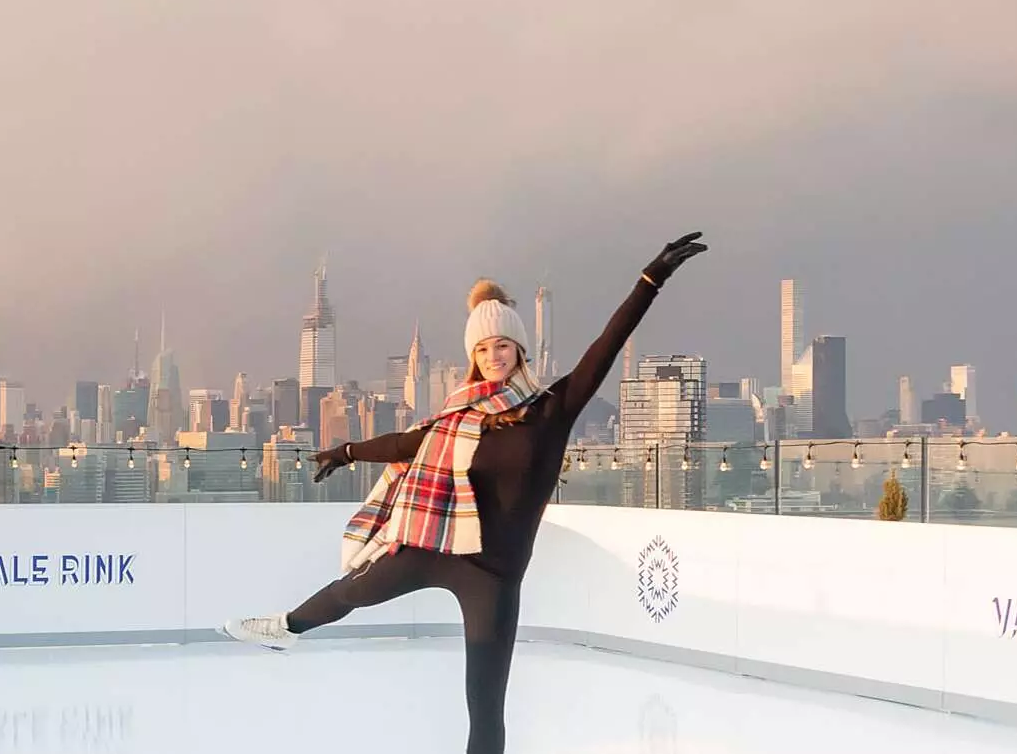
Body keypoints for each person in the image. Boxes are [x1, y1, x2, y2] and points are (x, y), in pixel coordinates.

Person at [222, 232, 708, 754]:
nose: (493, 356)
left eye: (501, 345)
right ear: (472, 356)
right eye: (482, 348)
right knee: (351, 591)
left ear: (519, 348)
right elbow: (410, 443)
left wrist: (650, 279)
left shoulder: (552, 408)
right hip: (434, 544)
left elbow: (606, 347)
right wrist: (346, 453)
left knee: (484, 706)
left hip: (493, 575)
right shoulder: (461, 414)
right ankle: (285, 627)